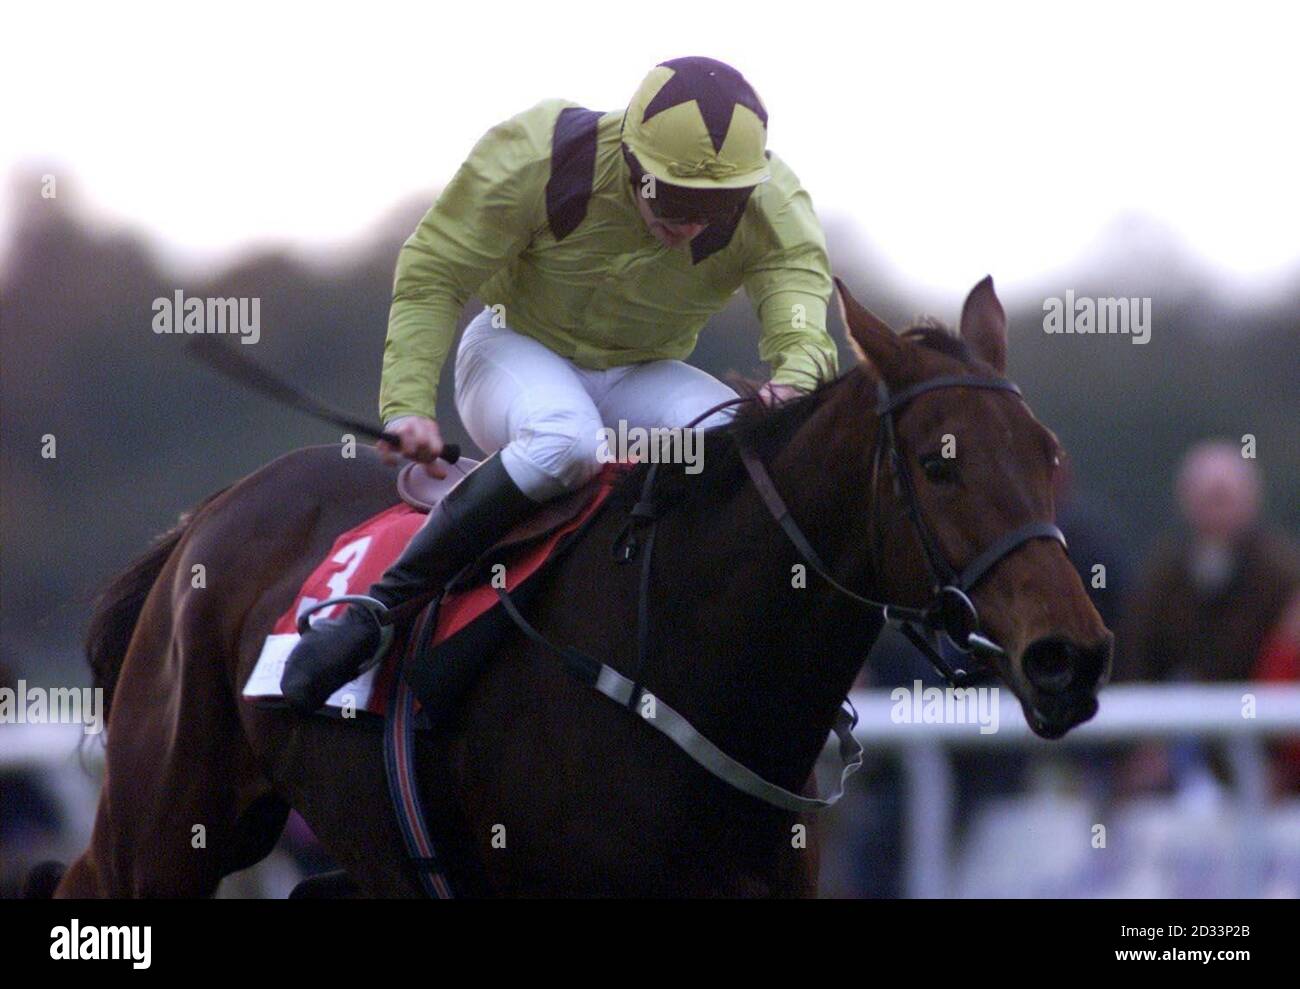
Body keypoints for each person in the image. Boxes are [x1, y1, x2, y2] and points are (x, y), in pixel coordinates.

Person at [281, 57, 838, 713]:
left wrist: (797, 382)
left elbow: (801, 316)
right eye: (674, 199)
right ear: (631, 160)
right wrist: (407, 405)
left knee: (738, 449)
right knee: (568, 439)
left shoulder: (773, 204)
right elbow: (435, 271)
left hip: (644, 371)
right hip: (514, 347)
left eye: (717, 208)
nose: (691, 223)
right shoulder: (539, 156)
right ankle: (379, 608)